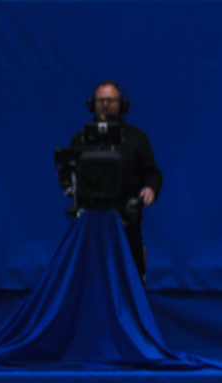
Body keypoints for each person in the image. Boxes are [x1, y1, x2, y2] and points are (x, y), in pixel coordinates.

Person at [67, 81, 163, 282]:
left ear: (122, 104)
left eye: (110, 100)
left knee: (130, 276)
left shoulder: (137, 138)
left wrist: (150, 188)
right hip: (89, 219)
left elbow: (152, 173)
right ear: (92, 104)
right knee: (88, 276)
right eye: (101, 100)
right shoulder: (80, 140)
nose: (105, 105)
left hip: (125, 218)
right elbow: (69, 173)